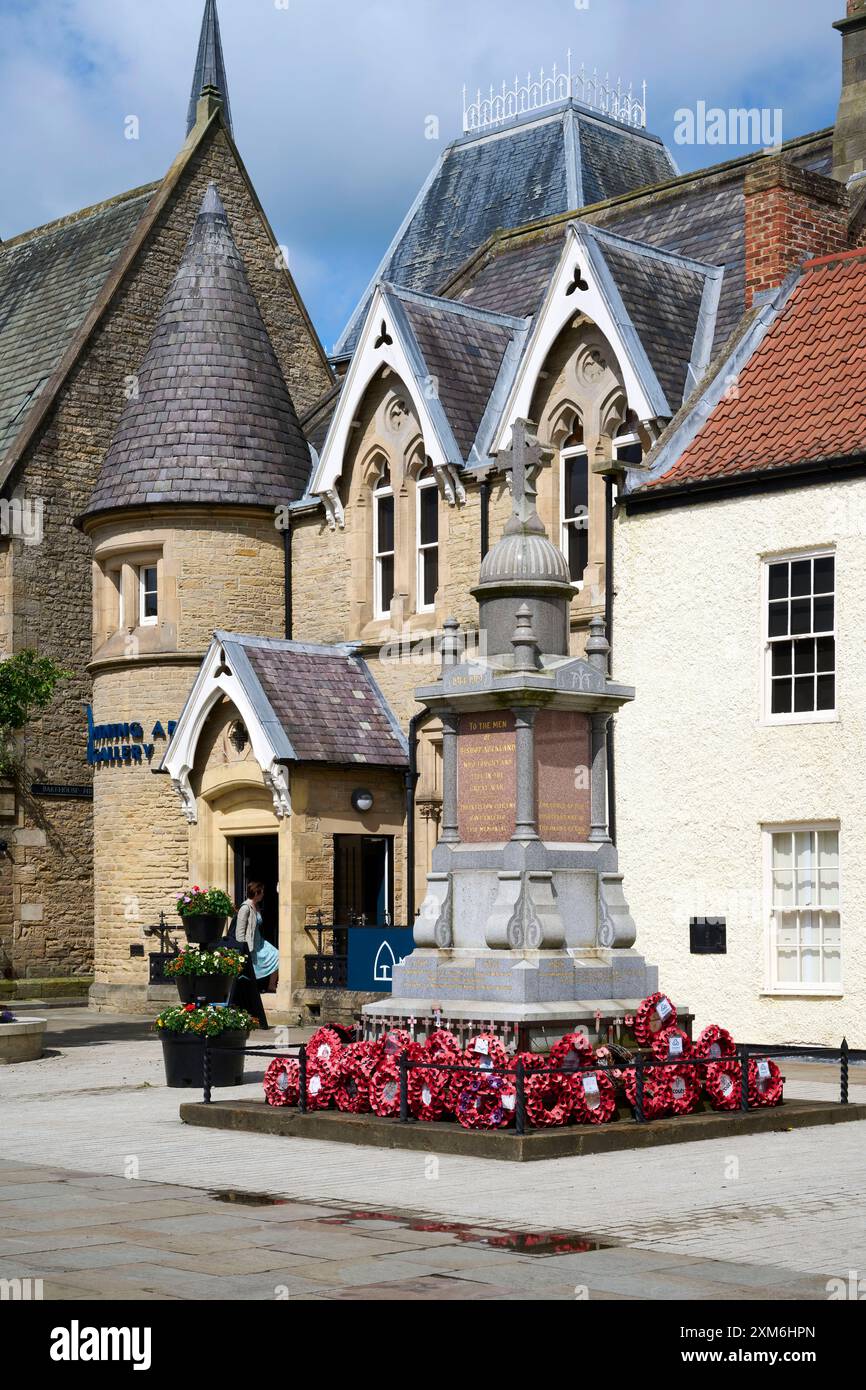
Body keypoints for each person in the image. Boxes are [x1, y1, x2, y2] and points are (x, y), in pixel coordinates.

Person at [235, 881, 279, 993]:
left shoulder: (256, 905)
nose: (263, 894)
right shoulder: (245, 907)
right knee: (251, 968)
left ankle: (271, 985)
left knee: (278, 956)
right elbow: (239, 932)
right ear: (256, 893)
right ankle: (251, 990)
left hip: (260, 942)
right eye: (262, 892)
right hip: (251, 944)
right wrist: (243, 948)